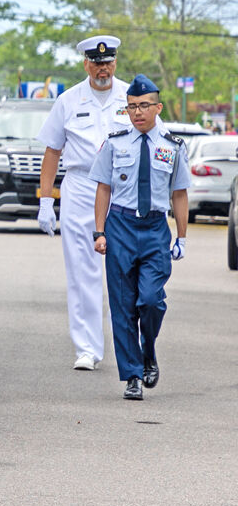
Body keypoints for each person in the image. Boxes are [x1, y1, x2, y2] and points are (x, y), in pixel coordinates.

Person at [90, 75, 189, 400]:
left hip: (155, 229)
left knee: (150, 299)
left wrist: (182, 237)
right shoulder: (115, 142)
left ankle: (148, 350)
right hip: (120, 226)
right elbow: (103, 188)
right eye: (132, 106)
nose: (137, 112)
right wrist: (100, 231)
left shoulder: (172, 146)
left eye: (144, 105)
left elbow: (179, 194)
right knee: (122, 306)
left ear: (158, 107)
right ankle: (132, 375)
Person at [36, 34, 130, 371]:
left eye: (107, 62)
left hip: (123, 188)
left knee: (124, 270)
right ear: (86, 63)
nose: (102, 69)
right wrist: (46, 200)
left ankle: (127, 345)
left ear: (115, 63)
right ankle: (87, 347)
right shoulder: (68, 100)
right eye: (96, 62)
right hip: (80, 186)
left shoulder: (131, 96)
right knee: (82, 269)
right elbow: (52, 151)